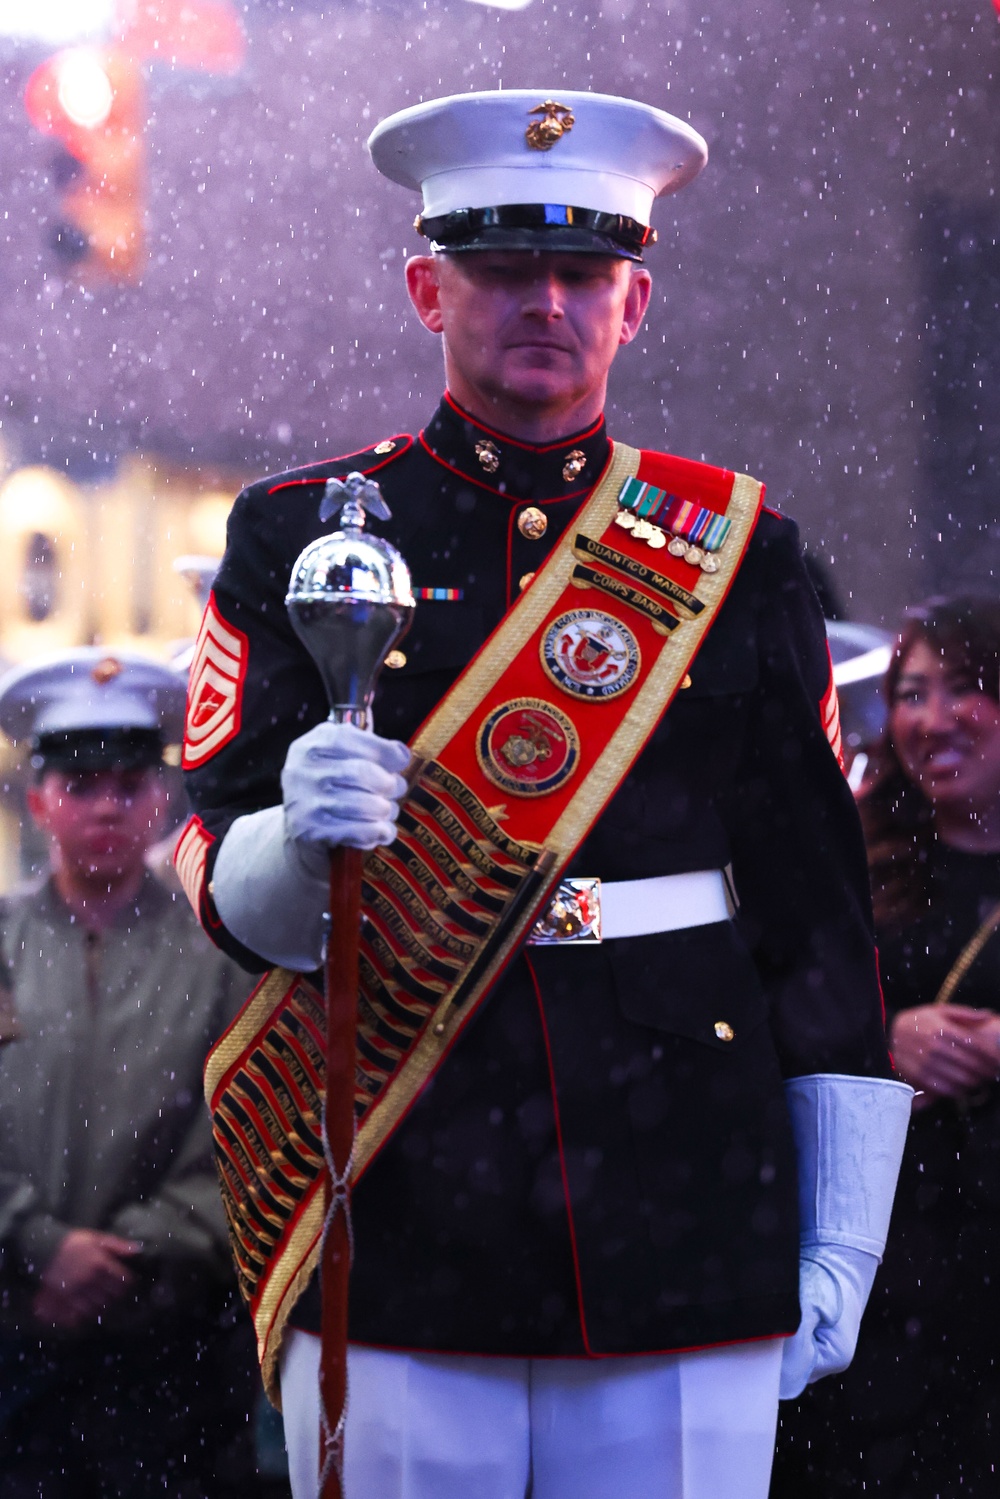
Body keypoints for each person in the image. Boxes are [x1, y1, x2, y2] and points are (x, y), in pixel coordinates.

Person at [178, 90, 912, 1499]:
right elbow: (209, 844)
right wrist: (287, 845)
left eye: (583, 273)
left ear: (636, 302)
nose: (547, 302)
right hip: (400, 1188)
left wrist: (845, 1225)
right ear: (424, 286)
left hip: (689, 1194)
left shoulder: (734, 546)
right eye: (506, 268)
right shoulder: (305, 529)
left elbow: (819, 918)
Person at [0, 649, 258, 1499]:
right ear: (39, 801)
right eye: (80, 784)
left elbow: (251, 1133)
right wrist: (37, 1243)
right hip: (12, 1334)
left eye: (127, 782)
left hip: (176, 1348)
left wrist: (134, 1254)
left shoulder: (222, 946)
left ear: (162, 797)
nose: (107, 804)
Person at [771, 595, 1000, 1498]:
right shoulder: (849, 855)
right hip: (888, 1248)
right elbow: (776, 1001)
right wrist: (883, 1038)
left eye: (964, 688)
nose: (931, 718)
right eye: (910, 693)